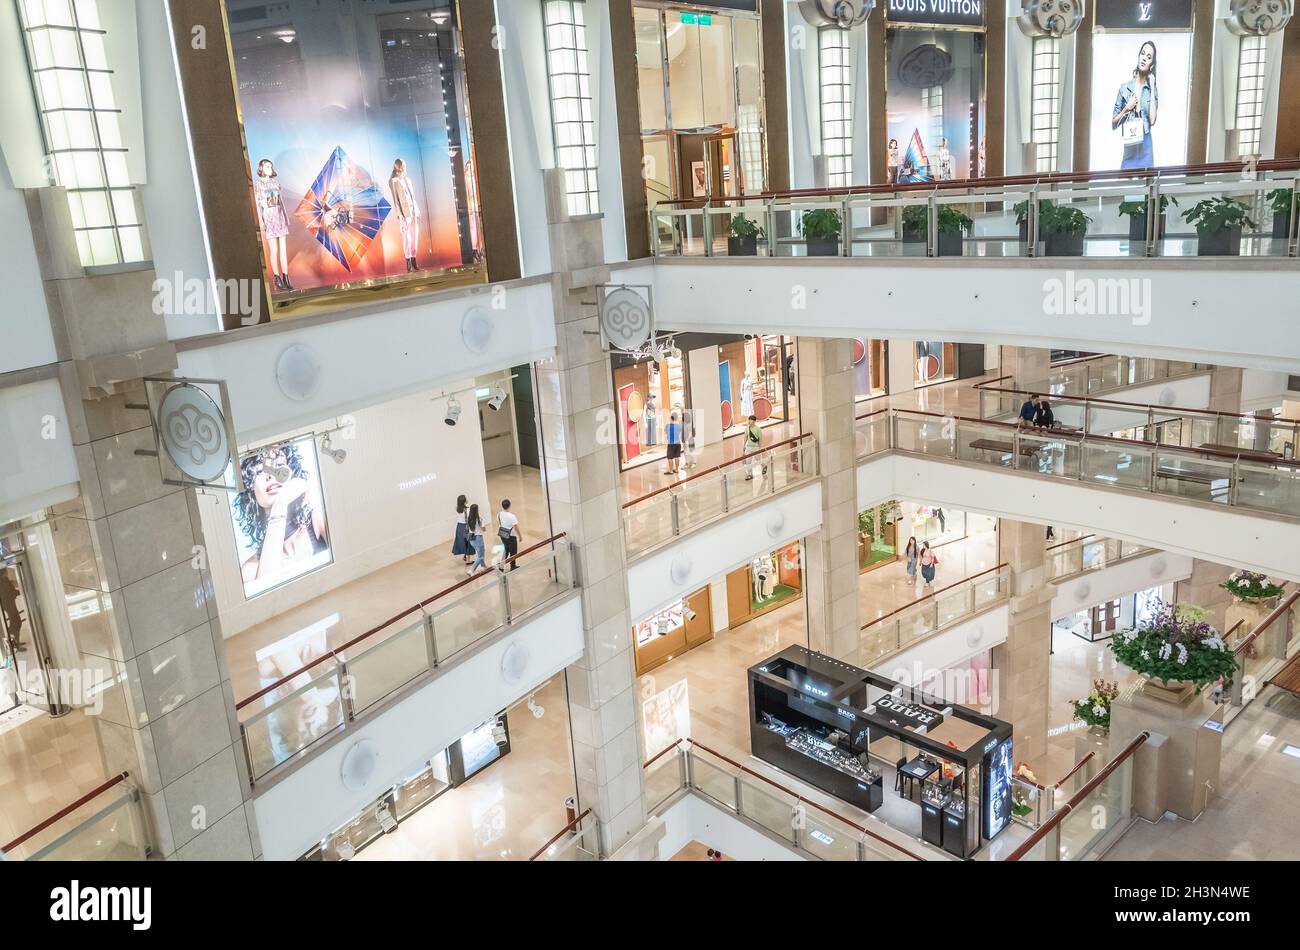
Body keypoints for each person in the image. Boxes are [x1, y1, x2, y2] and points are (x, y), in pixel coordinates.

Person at [234, 444, 329, 588]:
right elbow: (268, 599)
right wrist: (280, 503)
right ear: (251, 490)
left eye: (279, 465)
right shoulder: (250, 570)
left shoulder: (319, 520)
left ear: (293, 475)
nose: (270, 475)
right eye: (260, 471)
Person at [1113, 41, 1159, 170]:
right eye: (1143, 54)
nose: (1144, 58)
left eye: (1149, 57)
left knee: (1147, 188)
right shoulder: (1124, 88)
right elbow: (1113, 123)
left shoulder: (1152, 90)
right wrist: (1126, 108)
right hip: (1131, 144)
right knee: (1124, 187)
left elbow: (1152, 120)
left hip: (1146, 146)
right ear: (1139, 56)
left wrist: (1153, 84)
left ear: (1152, 65)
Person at [254, 159, 293, 291]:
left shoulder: (276, 183)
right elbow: (259, 206)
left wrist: (286, 218)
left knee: (283, 249)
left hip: (280, 217)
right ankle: (277, 277)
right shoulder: (258, 185)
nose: (270, 169)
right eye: (267, 167)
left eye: (270, 166)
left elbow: (281, 202)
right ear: (261, 169)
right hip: (269, 219)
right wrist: (262, 222)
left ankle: (286, 276)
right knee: (274, 250)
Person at [389, 158, 420, 272]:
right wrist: (400, 215)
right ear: (398, 166)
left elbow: (413, 196)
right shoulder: (394, 181)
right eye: (403, 165)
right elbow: (395, 199)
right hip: (404, 213)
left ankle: (413, 258)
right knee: (406, 237)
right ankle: (408, 260)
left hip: (413, 211)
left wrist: (416, 210)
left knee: (415, 235)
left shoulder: (408, 180)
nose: (405, 167)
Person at [497, 499, 520, 571]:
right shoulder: (512, 516)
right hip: (511, 536)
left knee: (506, 549)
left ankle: (501, 566)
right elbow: (516, 527)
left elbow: (499, 523)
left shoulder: (499, 514)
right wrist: (520, 536)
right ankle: (512, 566)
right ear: (509, 506)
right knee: (513, 551)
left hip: (502, 534)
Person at [465, 503, 487, 575]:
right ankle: (472, 570)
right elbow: (484, 529)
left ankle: (483, 566)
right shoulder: (479, 519)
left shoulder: (469, 519)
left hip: (471, 538)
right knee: (481, 556)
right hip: (478, 538)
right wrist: (483, 527)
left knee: (481, 552)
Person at [743, 414, 766, 481]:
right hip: (748, 448)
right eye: (749, 420)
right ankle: (750, 474)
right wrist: (744, 445)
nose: (749, 421)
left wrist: (759, 447)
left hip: (756, 447)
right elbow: (745, 437)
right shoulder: (747, 428)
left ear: (754, 421)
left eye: (751, 420)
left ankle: (764, 466)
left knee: (758, 460)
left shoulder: (758, 429)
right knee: (748, 462)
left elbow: (760, 439)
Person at [451, 494, 472, 564]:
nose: (467, 499)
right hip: (466, 527)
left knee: (463, 542)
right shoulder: (467, 510)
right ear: (464, 501)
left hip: (459, 527)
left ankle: (465, 556)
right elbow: (469, 519)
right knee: (468, 543)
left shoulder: (457, 509)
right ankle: (468, 560)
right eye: (466, 498)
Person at [664, 411, 683, 475]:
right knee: (677, 457)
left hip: (671, 444)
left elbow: (666, 433)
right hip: (678, 443)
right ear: (676, 418)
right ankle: (677, 469)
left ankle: (671, 471)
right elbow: (679, 432)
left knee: (670, 458)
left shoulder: (667, 426)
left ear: (670, 418)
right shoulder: (679, 426)